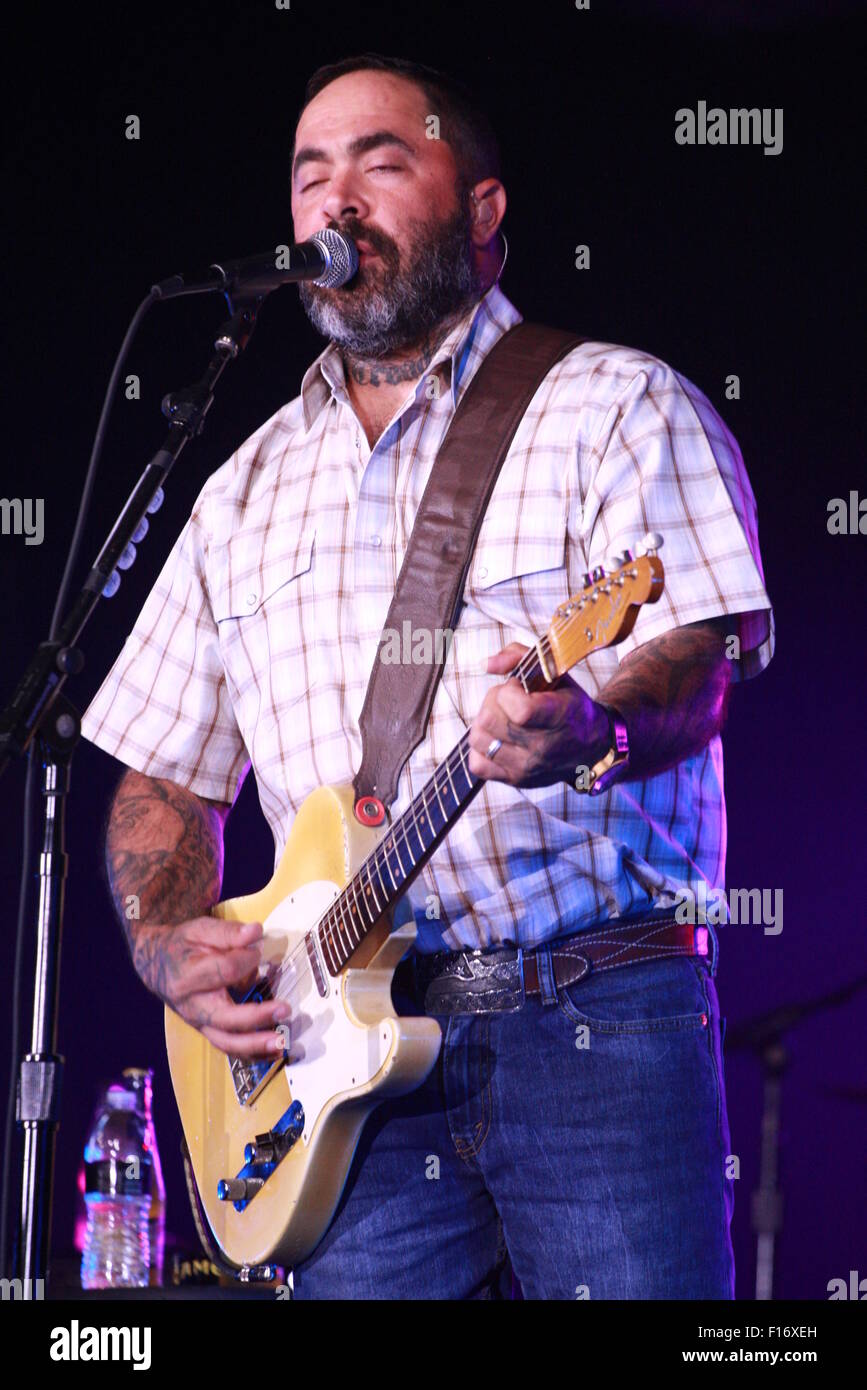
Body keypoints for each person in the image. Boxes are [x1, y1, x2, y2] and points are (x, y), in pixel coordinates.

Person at [80, 54, 774, 1299]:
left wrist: (591, 728)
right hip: (339, 1076)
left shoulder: (617, 405)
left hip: (596, 1023)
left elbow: (695, 658)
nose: (335, 200)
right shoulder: (238, 489)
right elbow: (161, 783)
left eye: (381, 161)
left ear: (484, 211)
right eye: (311, 174)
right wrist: (165, 940)